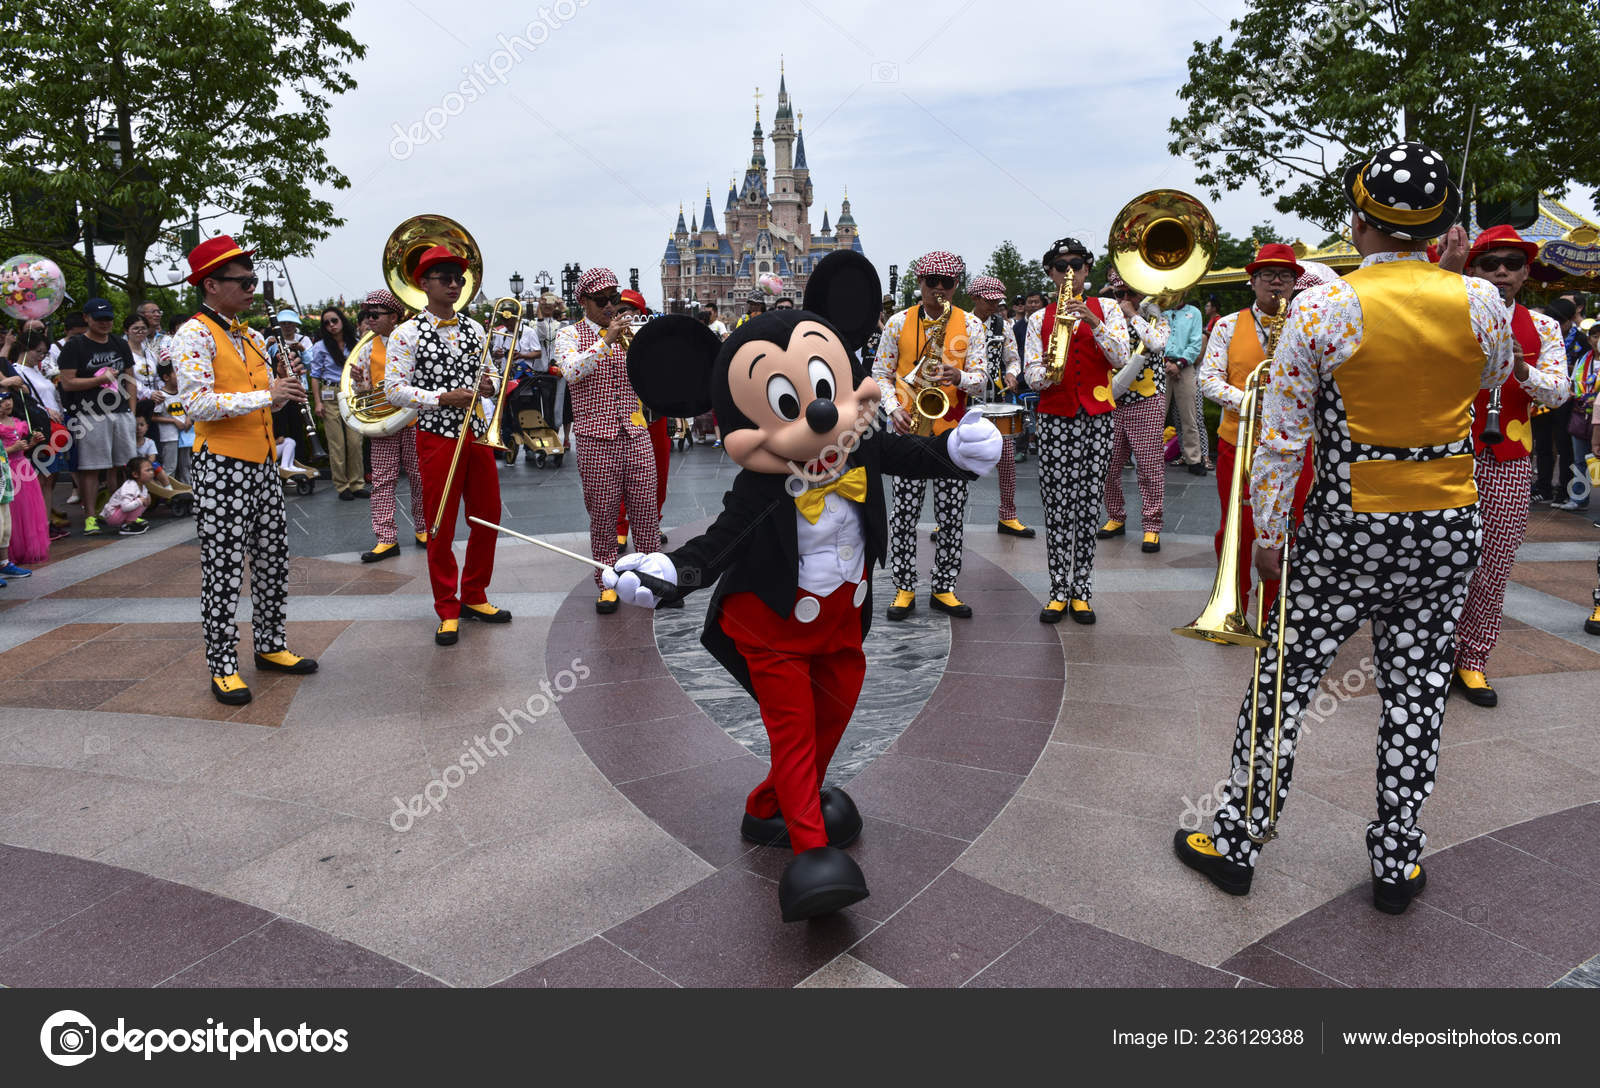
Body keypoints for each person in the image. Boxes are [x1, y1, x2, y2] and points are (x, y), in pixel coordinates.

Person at [604, 250, 1003, 922]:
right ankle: (810, 852)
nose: (818, 416)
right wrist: (674, 573)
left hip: (840, 625)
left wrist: (956, 454)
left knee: (836, 713)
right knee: (794, 731)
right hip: (771, 628)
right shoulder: (767, 479)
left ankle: (771, 807)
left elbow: (912, 454)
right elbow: (720, 540)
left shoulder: (861, 444)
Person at [1174, 141, 1515, 916]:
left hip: (1346, 526)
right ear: (1440, 228)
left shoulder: (1322, 308)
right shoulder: (1483, 303)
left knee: (1284, 684)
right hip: (1447, 521)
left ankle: (1238, 839)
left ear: (1359, 222)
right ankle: (1396, 859)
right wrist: (1455, 281)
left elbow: (1284, 436)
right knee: (1418, 690)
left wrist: (1265, 532)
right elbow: (1493, 379)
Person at [173, 234, 319, 705]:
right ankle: (223, 666)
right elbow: (195, 404)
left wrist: (284, 383)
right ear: (212, 284)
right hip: (221, 465)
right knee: (224, 567)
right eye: (244, 281)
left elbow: (267, 395)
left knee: (273, 559)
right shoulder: (194, 334)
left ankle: (271, 645)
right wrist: (267, 394)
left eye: (254, 279)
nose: (253, 288)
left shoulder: (252, 336)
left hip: (262, 463)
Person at [1443, 225, 1571, 707]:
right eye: (1489, 262)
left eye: (1511, 264)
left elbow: (1559, 392)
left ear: (1524, 274)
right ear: (1471, 269)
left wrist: (1521, 370)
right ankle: (1430, 654)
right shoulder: (1447, 314)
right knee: (1435, 561)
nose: (1500, 271)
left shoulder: (1543, 328)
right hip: (1443, 452)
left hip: (1508, 457)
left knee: (1493, 563)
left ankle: (1472, 660)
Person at [385, 245, 512, 645]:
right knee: (439, 525)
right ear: (424, 284)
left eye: (459, 279)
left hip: (476, 435)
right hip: (437, 437)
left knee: (487, 518)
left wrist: (490, 385)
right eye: (446, 278)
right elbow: (394, 392)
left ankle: (475, 594)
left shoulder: (475, 329)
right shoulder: (406, 333)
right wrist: (441, 398)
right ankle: (447, 606)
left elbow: (489, 372)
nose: (455, 285)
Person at [1197, 243, 1315, 613]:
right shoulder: (1228, 325)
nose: (1276, 282)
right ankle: (1232, 604)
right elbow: (1208, 379)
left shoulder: (1309, 323)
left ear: (1296, 282)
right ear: (1253, 281)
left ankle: (1276, 610)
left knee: (1290, 525)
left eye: (1285, 275)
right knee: (1236, 526)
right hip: (1239, 441)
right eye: (1268, 275)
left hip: (1295, 446)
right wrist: (1253, 402)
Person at [873, 251, 991, 620]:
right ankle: (905, 587)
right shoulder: (897, 322)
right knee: (904, 516)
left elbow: (982, 379)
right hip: (907, 429)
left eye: (948, 282)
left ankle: (944, 588)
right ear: (919, 282)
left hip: (951, 433)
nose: (939, 288)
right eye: (931, 281)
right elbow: (880, 372)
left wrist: (959, 378)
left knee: (952, 515)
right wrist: (893, 408)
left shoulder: (972, 325)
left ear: (957, 285)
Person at [1024, 238, 1131, 624]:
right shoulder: (1039, 319)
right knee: (1056, 506)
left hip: (1098, 414)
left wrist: (1094, 322)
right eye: (1059, 265)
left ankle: (1082, 590)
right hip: (1056, 415)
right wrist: (1047, 373)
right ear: (1051, 273)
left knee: (1088, 505)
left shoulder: (1110, 310)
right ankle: (1057, 590)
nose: (1068, 271)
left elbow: (1121, 357)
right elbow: (1030, 373)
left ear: (1087, 270)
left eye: (1076, 264)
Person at [554, 267, 660, 614]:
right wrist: (606, 341)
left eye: (614, 299)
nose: (610, 307)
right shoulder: (569, 335)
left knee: (646, 510)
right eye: (602, 301)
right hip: (595, 437)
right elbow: (571, 372)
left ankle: (652, 579)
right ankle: (607, 583)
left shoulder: (628, 332)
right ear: (583, 301)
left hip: (635, 431)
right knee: (602, 516)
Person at [1097, 270, 1172, 552]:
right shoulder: (1109, 319)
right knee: (1108, 465)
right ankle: (1115, 516)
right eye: (1119, 294)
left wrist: (1134, 314)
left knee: (1149, 466)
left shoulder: (1158, 318)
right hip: (1112, 399)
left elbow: (1157, 343)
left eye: (1132, 293)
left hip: (1148, 399)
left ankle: (1152, 526)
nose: (1125, 299)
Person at [350, 290, 426, 562]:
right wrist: (359, 381)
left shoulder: (411, 339)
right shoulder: (367, 346)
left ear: (394, 316)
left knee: (420, 478)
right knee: (382, 480)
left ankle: (424, 528)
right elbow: (363, 391)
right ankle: (385, 538)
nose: (368, 320)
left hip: (413, 417)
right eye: (366, 315)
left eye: (374, 315)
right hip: (383, 420)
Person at [56, 298, 138, 535]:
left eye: (108, 319)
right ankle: (91, 516)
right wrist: (99, 380)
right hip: (90, 415)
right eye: (99, 319)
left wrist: (131, 411)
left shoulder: (120, 344)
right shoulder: (76, 346)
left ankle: (120, 513)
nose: (105, 323)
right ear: (86, 318)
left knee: (122, 465)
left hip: (121, 412)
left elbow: (130, 378)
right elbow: (68, 383)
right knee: (91, 468)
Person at [969, 275, 1033, 537]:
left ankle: (1008, 516)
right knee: (958, 459)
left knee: (1007, 459)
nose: (995, 304)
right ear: (975, 298)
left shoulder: (1003, 325)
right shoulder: (962, 322)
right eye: (989, 300)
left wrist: (1012, 373)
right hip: (966, 400)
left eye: (998, 300)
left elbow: (1013, 358)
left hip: (997, 400)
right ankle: (947, 518)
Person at [615, 288, 672, 556]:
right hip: (626, 417)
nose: (625, 314)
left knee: (659, 474)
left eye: (630, 310)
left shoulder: (653, 337)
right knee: (624, 476)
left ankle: (653, 522)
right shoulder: (611, 338)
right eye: (620, 310)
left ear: (642, 314)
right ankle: (620, 528)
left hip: (654, 413)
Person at [305, 306, 366, 500]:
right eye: (326, 323)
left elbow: (363, 370)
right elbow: (314, 375)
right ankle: (342, 486)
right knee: (336, 443)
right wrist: (318, 402)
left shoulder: (355, 343)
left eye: (334, 320)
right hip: (330, 393)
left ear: (342, 321)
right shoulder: (320, 346)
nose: (331, 325)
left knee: (355, 442)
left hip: (351, 393)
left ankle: (357, 483)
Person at [1531, 296, 1578, 503]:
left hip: (1567, 402)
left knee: (1564, 447)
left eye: (1559, 321)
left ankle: (1566, 491)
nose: (1554, 324)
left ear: (1569, 322)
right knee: (1542, 445)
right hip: (1542, 398)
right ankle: (1543, 487)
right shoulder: (1543, 333)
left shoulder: (1582, 341)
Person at [0, 390, 47, 564]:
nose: (7, 404)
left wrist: (32, 443)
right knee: (12, 510)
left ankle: (26, 549)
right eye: (2, 401)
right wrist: (12, 449)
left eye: (9, 399)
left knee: (27, 509)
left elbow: (21, 448)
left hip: (23, 468)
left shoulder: (18, 422)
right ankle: (8, 553)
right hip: (6, 470)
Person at [1162, 292, 1207, 474]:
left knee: (1190, 415)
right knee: (1157, 415)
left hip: (1185, 367)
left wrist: (1179, 364)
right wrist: (1166, 363)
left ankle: (1194, 459)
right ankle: (1152, 457)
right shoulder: (1159, 312)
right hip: (1161, 365)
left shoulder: (1194, 312)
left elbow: (1196, 343)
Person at [100, 454, 154, 535]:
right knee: (140, 501)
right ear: (135, 474)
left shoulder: (142, 486)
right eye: (148, 470)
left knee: (145, 499)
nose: (152, 473)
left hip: (119, 514)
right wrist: (140, 501)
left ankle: (130, 522)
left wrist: (145, 501)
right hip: (112, 516)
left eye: (152, 470)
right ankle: (127, 526)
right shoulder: (130, 486)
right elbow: (125, 507)